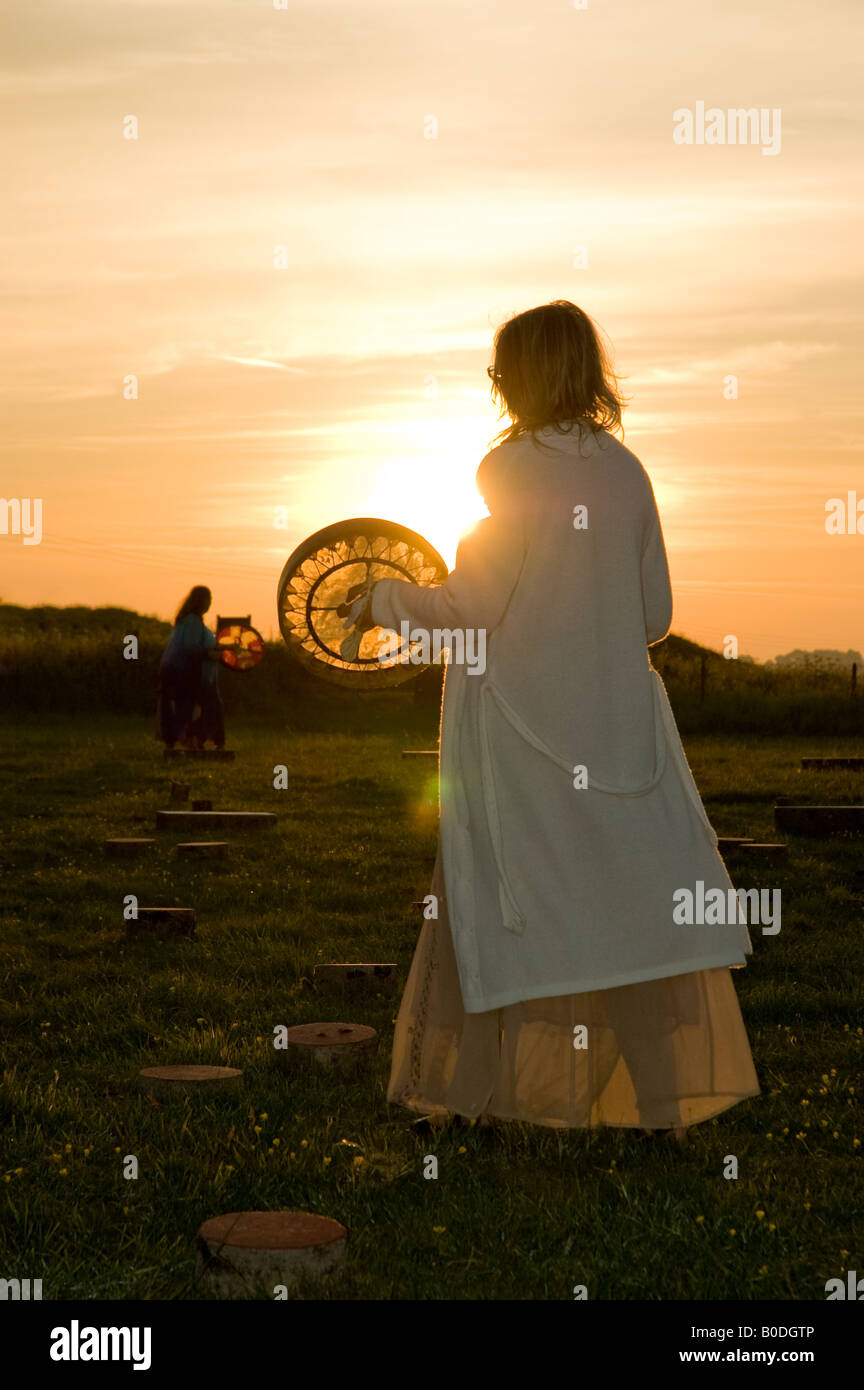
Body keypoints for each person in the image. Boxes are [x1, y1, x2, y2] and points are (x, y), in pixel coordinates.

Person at [350, 300, 760, 1137]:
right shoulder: (626, 468)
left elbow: (472, 605)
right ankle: (662, 1113)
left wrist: (380, 599)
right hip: (614, 735)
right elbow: (653, 612)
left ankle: (472, 1106)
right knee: (629, 914)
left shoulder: (509, 468)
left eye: (501, 369)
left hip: (519, 736)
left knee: (498, 902)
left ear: (520, 377)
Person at [156, 586, 225, 749]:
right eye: (208, 599)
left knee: (188, 709)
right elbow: (189, 648)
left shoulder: (190, 621)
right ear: (200, 601)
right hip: (187, 675)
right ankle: (214, 742)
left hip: (186, 674)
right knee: (207, 707)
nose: (210, 603)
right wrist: (210, 654)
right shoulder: (192, 622)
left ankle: (189, 741)